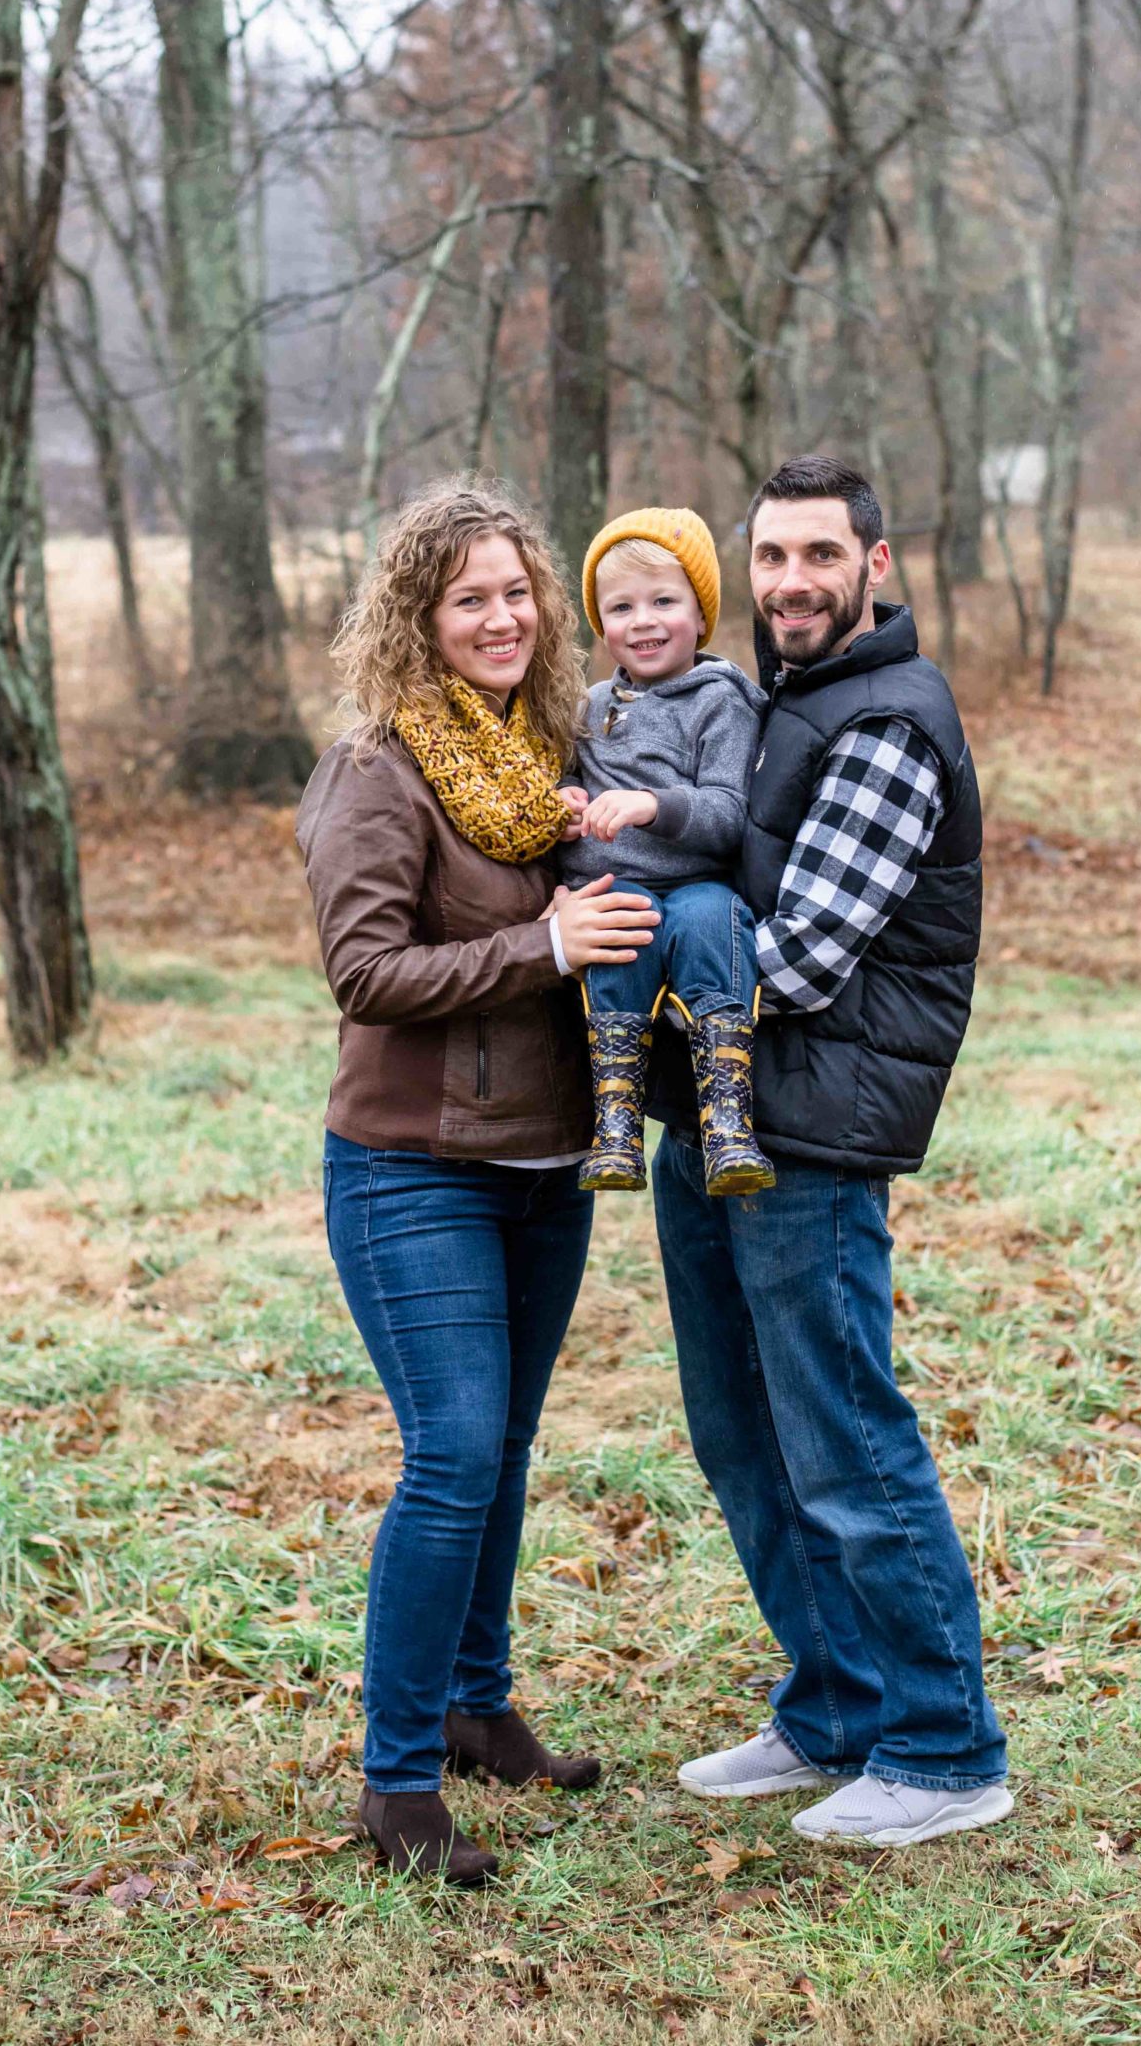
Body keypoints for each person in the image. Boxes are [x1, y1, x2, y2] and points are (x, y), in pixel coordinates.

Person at [296, 478, 660, 1886]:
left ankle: (474, 1705)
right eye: (468, 599)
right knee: (450, 1454)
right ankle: (396, 1780)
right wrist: (545, 947)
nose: (501, 618)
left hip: (546, 1167)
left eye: (516, 592)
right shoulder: (375, 772)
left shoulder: (552, 754)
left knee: (501, 1448)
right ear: (418, 617)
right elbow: (365, 971)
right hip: (413, 1169)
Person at [652, 453, 1011, 1849]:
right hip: (722, 1109)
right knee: (743, 1433)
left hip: (805, 1131)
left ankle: (943, 1748)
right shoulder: (784, 700)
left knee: (844, 1438)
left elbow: (795, 958)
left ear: (875, 562)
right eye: (771, 557)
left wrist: (635, 961)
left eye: (818, 555)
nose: (791, 581)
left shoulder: (886, 722)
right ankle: (837, 1705)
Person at [555, 505, 771, 1198]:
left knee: (711, 920)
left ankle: (727, 1117)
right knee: (616, 925)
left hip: (695, 881)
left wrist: (654, 804)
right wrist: (563, 808)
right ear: (600, 623)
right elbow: (560, 785)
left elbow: (729, 813)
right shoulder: (588, 706)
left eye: (663, 602)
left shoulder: (721, 700)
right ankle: (616, 1122)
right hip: (614, 883)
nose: (642, 621)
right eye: (621, 607)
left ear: (701, 613)